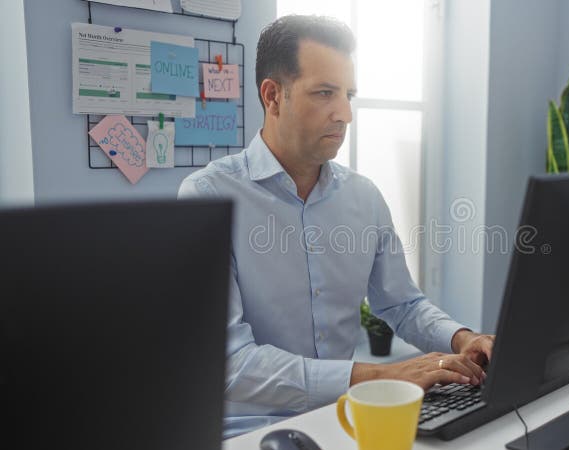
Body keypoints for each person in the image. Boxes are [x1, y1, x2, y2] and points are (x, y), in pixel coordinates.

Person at [178, 14, 494, 439]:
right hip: (247, 431)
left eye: (349, 94)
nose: (345, 113)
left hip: (346, 420)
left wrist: (461, 339)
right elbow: (231, 364)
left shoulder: (363, 197)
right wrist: (381, 376)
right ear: (273, 96)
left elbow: (401, 304)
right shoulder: (207, 196)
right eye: (325, 93)